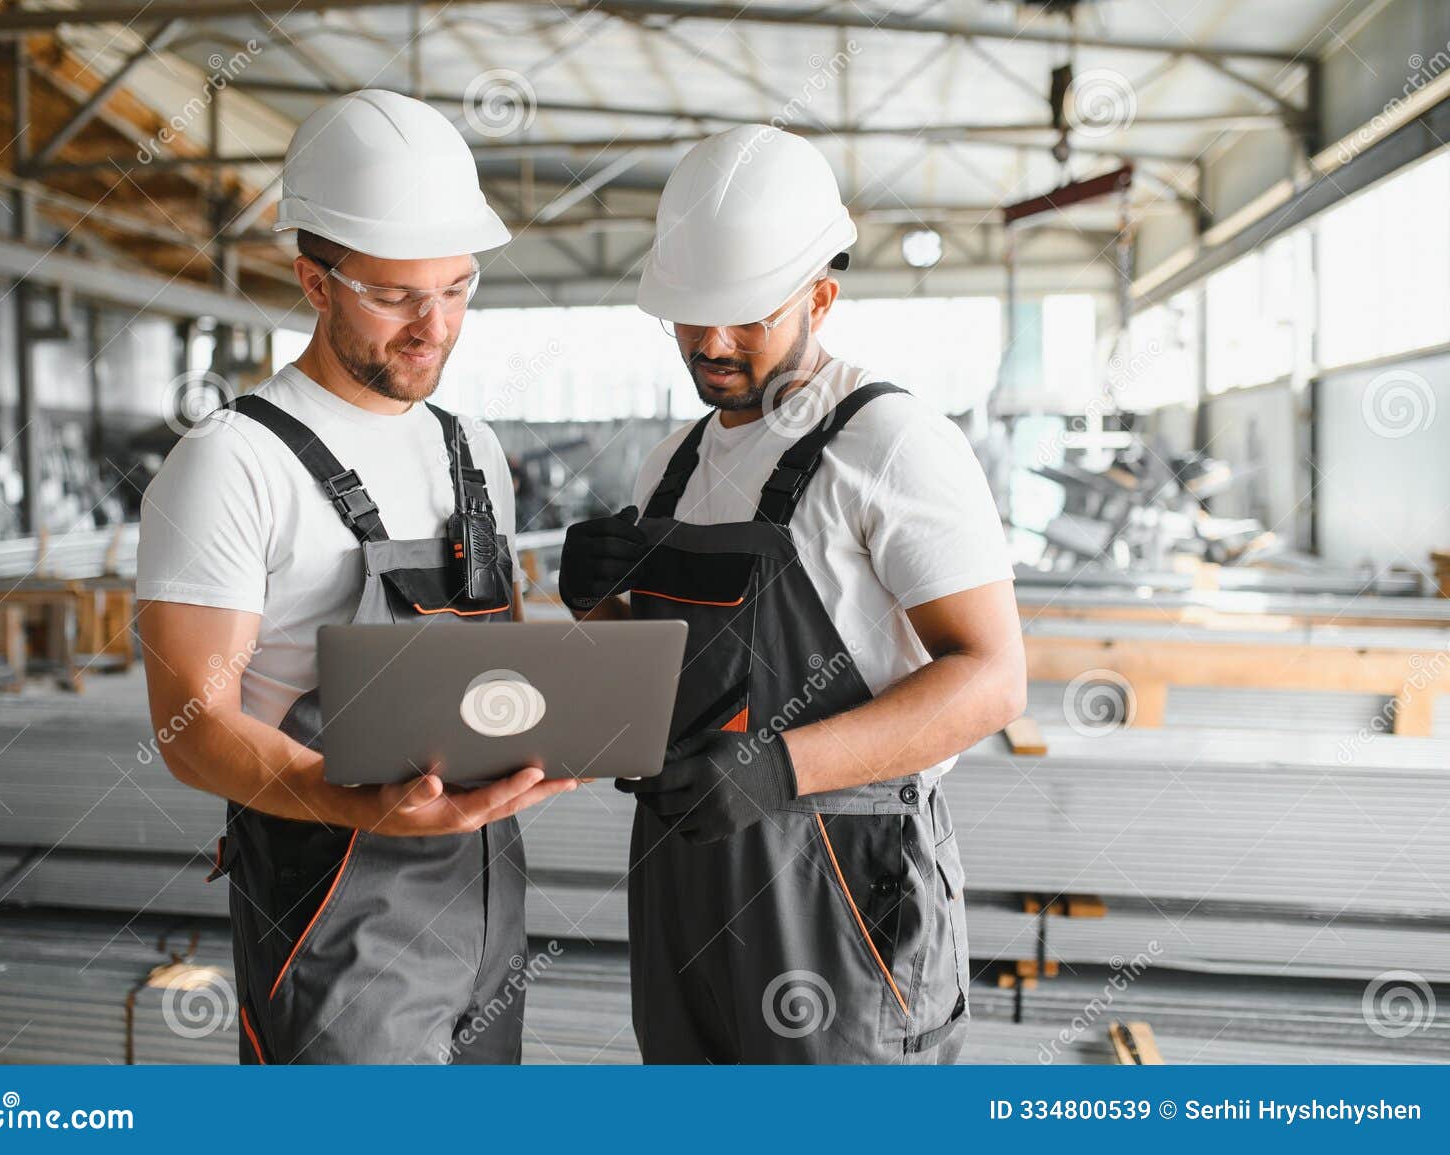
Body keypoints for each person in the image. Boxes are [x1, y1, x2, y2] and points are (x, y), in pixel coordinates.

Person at [558, 125, 1026, 1063]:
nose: (713, 344)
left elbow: (992, 680)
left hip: (843, 890)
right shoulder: (672, 465)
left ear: (821, 296)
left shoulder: (890, 444)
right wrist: (594, 609)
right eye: (691, 317)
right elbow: (651, 694)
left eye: (747, 316)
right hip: (684, 884)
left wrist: (777, 768)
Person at [136, 90, 575, 1065]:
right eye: (395, 295)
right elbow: (188, 727)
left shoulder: (474, 452)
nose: (434, 328)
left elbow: (489, 671)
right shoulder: (232, 461)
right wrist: (353, 803)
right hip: (334, 909)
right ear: (314, 279)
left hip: (489, 895)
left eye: (457, 289)